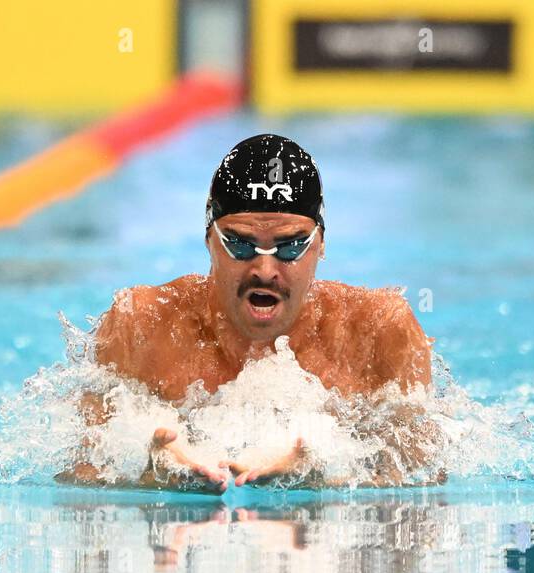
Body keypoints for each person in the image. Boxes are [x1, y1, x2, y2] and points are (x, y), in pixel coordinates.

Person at [60, 133, 441, 492]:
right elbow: (79, 477)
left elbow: (426, 487)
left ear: (321, 243)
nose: (264, 269)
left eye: (290, 246)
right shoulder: (141, 326)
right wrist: (147, 480)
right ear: (209, 237)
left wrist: (325, 482)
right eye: (240, 245)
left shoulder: (379, 332)